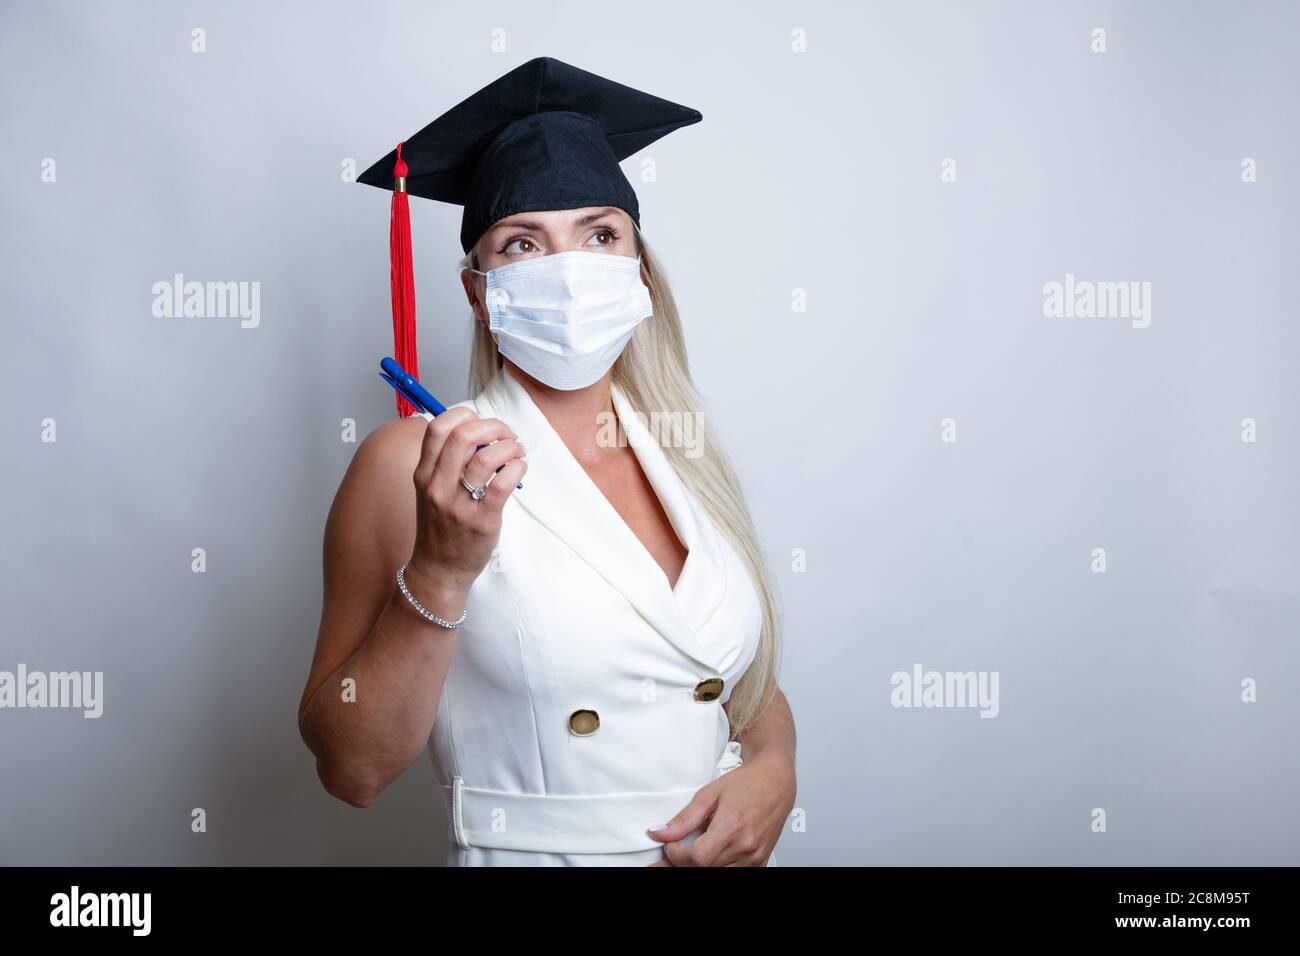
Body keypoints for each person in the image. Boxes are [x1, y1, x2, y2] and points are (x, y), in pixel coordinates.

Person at [298, 57, 796, 866]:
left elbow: (722, 673)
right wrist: (442, 571)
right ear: (477, 292)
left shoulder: (680, 446)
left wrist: (775, 765)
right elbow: (351, 771)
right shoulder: (410, 464)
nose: (569, 272)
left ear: (637, 269)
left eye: (599, 235)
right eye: (523, 243)